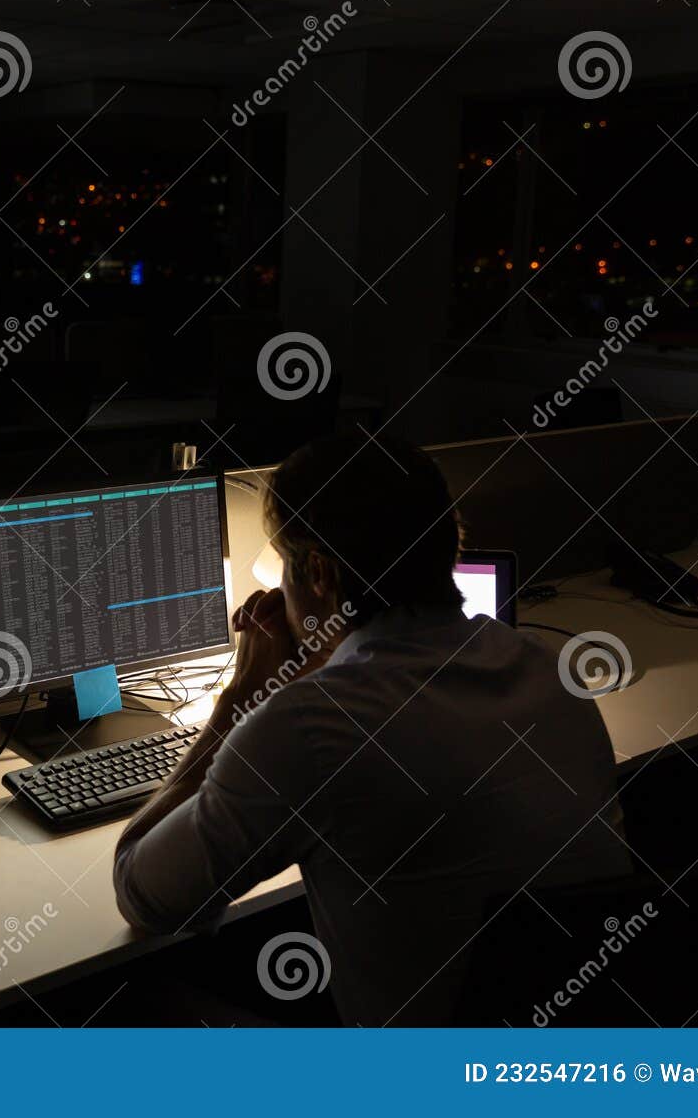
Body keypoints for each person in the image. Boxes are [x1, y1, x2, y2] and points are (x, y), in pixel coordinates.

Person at [113, 436, 630, 1025]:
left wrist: (242, 700)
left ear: (319, 575)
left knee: (133, 996)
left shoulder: (307, 728)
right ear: (448, 544)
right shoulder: (549, 667)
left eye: (284, 562)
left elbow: (143, 893)